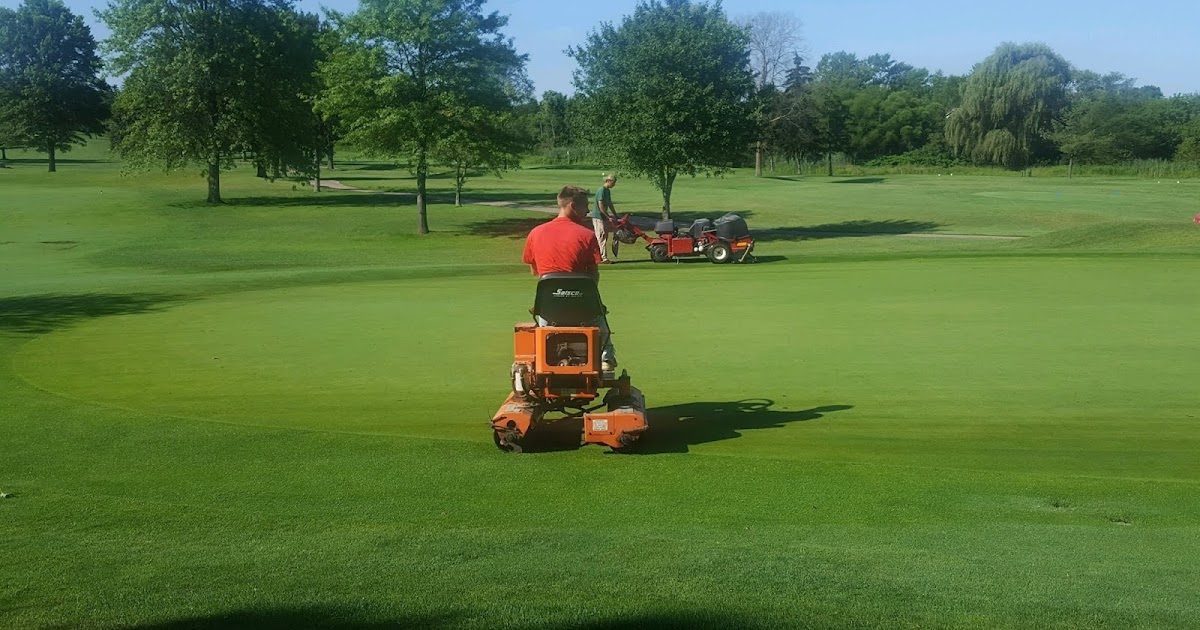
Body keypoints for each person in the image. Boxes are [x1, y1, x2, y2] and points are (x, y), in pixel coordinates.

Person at [522, 185, 618, 370]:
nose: (589, 210)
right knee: (601, 322)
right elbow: (592, 277)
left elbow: (536, 273)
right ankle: (606, 358)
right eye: (585, 206)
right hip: (583, 309)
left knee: (542, 320)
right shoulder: (587, 236)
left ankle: (542, 360)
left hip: (549, 311)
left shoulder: (535, 233)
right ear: (573, 206)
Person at [590, 174, 620, 263]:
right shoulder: (601, 190)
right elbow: (601, 205)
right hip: (598, 216)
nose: (614, 185)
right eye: (613, 183)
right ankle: (603, 258)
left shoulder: (607, 191)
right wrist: (608, 216)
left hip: (604, 217)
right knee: (601, 236)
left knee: (605, 236)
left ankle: (600, 256)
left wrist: (615, 215)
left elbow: (609, 203)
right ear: (608, 181)